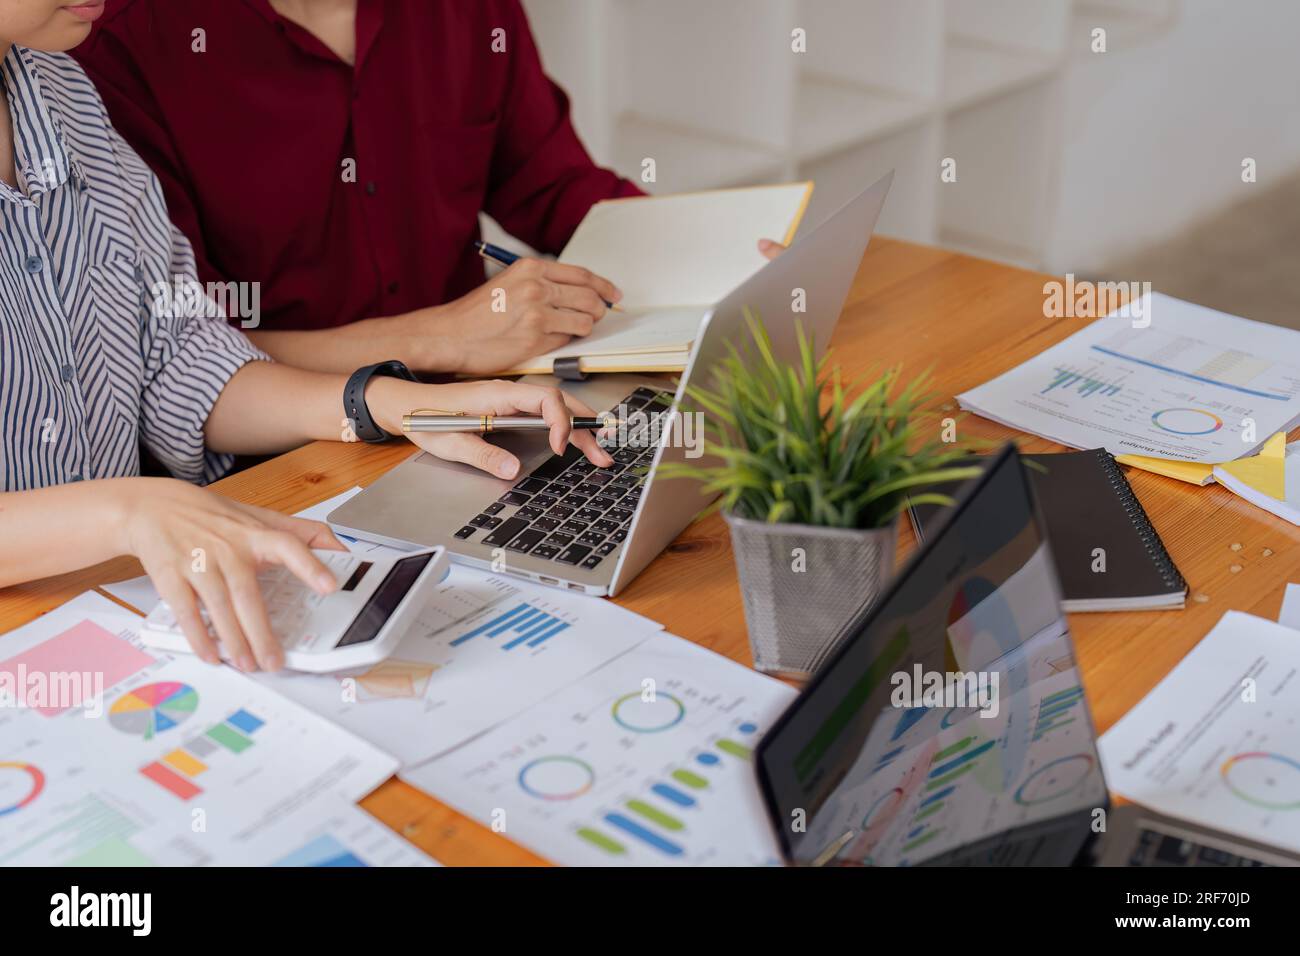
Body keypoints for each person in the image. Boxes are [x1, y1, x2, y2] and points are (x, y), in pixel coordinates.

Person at [0, 0, 612, 672]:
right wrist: (125, 510)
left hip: (110, 600)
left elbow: (181, 360)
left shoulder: (59, 90)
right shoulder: (108, 52)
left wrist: (386, 404)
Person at [73, 0, 784, 376]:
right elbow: (185, 347)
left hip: (491, 401)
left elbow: (550, 183)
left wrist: (714, 248)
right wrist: (441, 337)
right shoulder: (119, 44)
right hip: (281, 456)